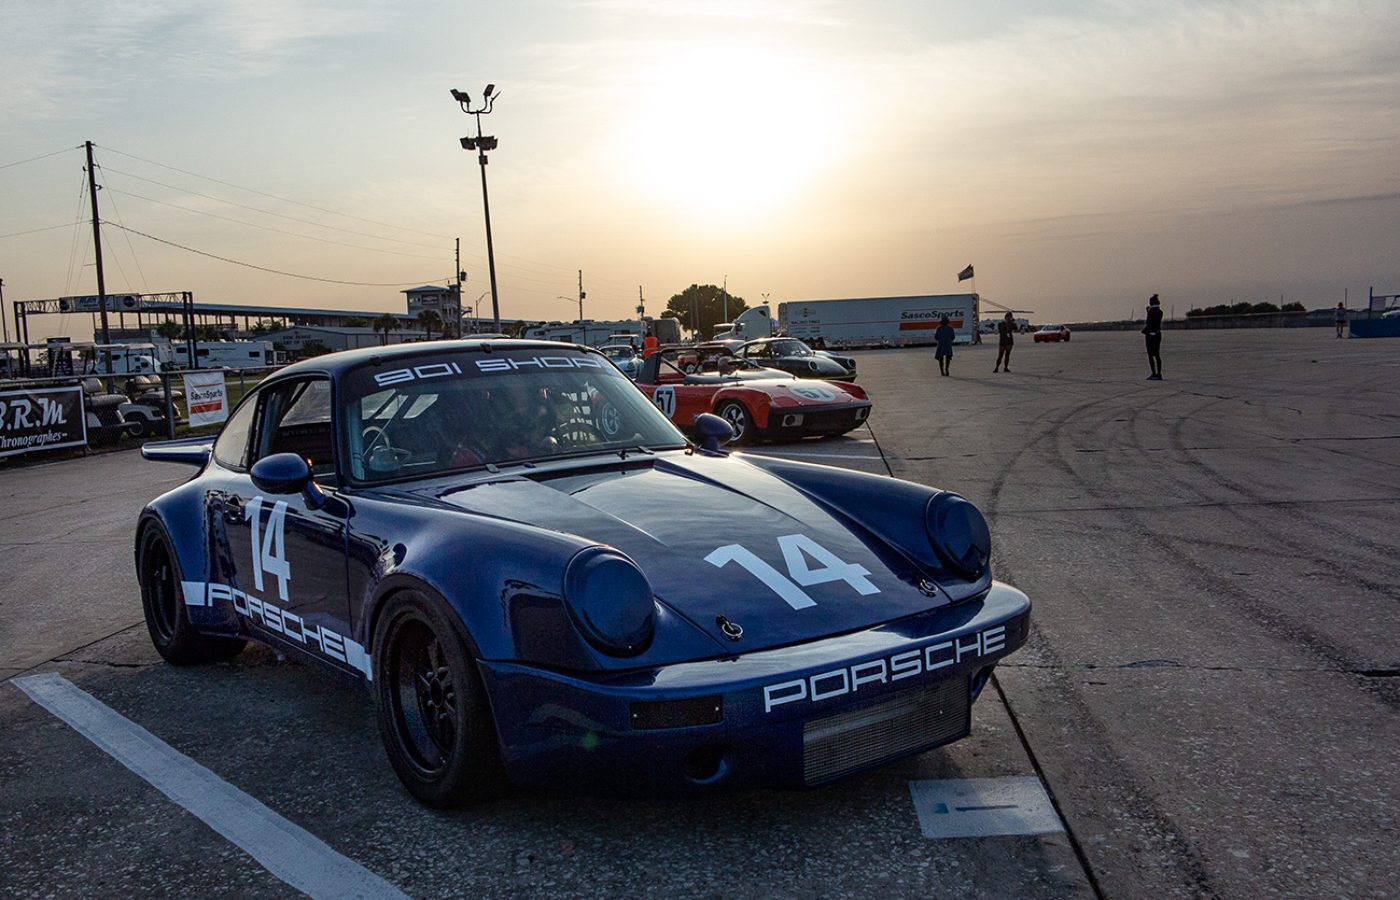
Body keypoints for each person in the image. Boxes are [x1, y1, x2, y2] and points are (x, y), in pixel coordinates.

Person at [1142, 294, 1164, 380]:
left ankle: (1154, 373)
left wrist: (1148, 312)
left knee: (1150, 355)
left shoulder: (1151, 312)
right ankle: (1159, 373)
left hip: (1150, 335)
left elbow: (1149, 322)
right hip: (1158, 334)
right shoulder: (1160, 312)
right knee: (1157, 354)